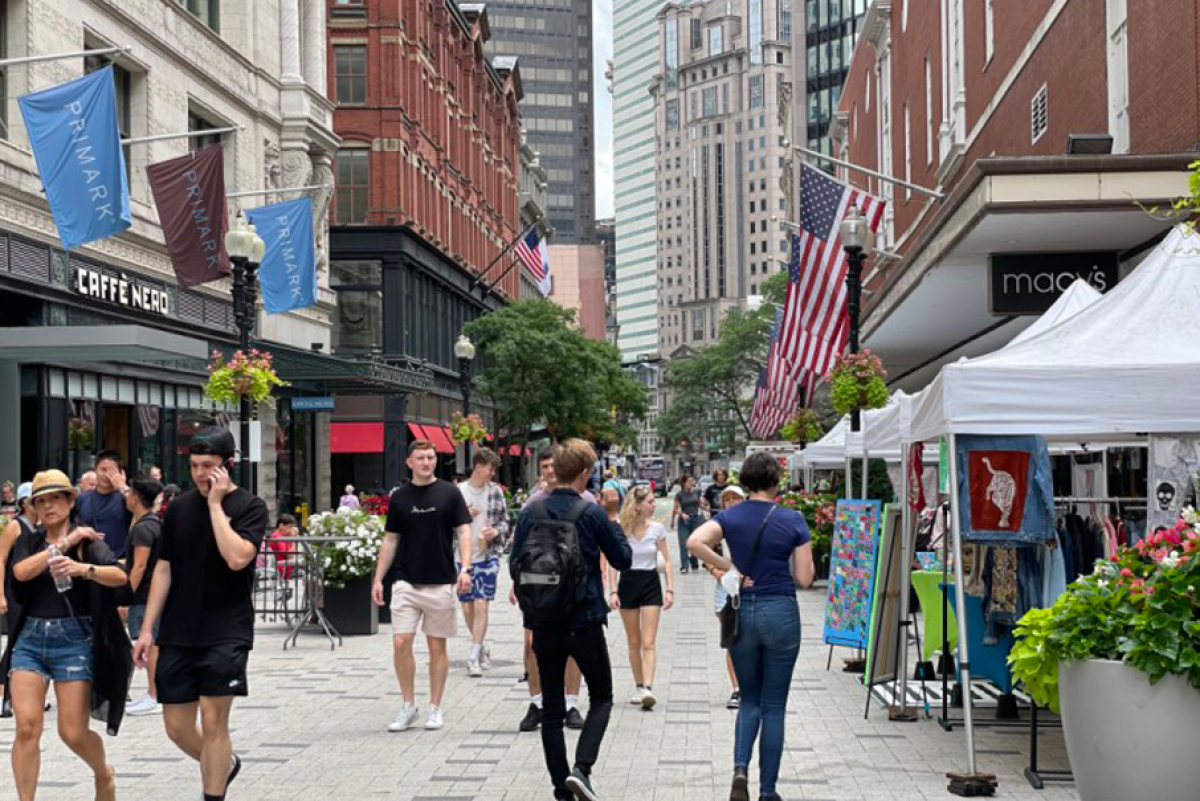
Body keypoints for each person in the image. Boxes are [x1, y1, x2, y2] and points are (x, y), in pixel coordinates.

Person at [133, 427, 269, 801]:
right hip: (178, 631)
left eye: (208, 466)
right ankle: (224, 764)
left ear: (228, 465)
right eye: (194, 466)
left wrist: (214, 506)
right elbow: (164, 568)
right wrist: (146, 630)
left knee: (213, 722)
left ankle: (213, 794)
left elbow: (237, 556)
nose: (199, 474)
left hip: (227, 630)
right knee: (176, 727)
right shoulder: (177, 509)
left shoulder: (250, 507)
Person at [687, 452, 815, 801]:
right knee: (774, 704)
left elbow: (694, 542)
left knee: (749, 699)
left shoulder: (730, 516)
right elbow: (805, 578)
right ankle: (768, 791)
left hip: (742, 611)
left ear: (743, 481)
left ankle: (740, 767)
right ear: (776, 482)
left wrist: (729, 568)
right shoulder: (793, 519)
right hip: (780, 612)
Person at [511, 439, 632, 801]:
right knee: (602, 697)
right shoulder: (591, 513)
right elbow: (623, 559)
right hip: (585, 618)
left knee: (551, 707)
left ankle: (560, 787)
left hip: (544, 620)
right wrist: (612, 516)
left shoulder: (531, 512)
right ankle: (582, 768)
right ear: (583, 474)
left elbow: (514, 563)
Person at [2, 469, 130, 801]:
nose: (48, 506)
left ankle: (104, 773)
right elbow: (20, 572)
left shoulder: (87, 541)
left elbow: (120, 576)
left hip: (74, 641)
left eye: (55, 498)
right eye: (40, 501)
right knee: (27, 726)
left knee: (72, 732)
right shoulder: (28, 541)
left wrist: (81, 568)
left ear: (71, 500)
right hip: (29, 639)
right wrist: (61, 546)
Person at [371, 440, 473, 732]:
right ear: (409, 462)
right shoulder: (400, 497)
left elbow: (463, 531)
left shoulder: (450, 493)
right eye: (421, 458)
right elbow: (391, 539)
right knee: (401, 641)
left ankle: (435, 707)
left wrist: (465, 568)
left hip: (440, 579)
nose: (427, 462)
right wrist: (378, 578)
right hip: (405, 579)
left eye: (431, 457)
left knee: (435, 645)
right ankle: (408, 705)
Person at [514, 449, 595, 732]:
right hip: (538, 585)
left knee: (572, 645)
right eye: (545, 466)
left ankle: (570, 703)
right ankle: (537, 702)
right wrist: (517, 583)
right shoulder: (533, 504)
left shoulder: (585, 501)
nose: (550, 471)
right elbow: (519, 549)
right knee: (531, 644)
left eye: (553, 465)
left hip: (572, 585)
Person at [607, 484, 673, 710]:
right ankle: (638, 685)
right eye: (650, 502)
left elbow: (667, 559)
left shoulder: (657, 530)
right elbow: (611, 563)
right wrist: (613, 590)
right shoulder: (620, 529)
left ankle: (648, 687)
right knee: (633, 641)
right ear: (637, 507)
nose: (653, 506)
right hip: (627, 582)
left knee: (649, 641)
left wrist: (670, 589)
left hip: (650, 582)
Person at [457, 448, 509, 677]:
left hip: (488, 557)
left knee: (481, 604)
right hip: (462, 559)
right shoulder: (457, 493)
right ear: (478, 467)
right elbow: (444, 525)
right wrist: (463, 515)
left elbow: (506, 522)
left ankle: (473, 657)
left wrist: (495, 532)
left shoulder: (495, 492)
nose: (492, 473)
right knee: (467, 607)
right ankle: (481, 645)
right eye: (490, 468)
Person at [124, 476, 164, 717]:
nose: (126, 495)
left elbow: (139, 567)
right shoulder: (152, 522)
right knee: (153, 642)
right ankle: (153, 693)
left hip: (144, 594)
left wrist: (125, 596)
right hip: (153, 592)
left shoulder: (143, 528)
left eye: (129, 492)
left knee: (151, 643)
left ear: (136, 497)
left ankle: (154, 695)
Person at [707, 485, 747, 709]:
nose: (731, 502)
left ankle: (749, 684)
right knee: (733, 640)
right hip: (726, 588)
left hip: (750, 588)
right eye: (727, 499)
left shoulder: (752, 524)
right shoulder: (718, 525)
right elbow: (703, 550)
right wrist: (716, 571)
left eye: (736, 498)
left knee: (749, 639)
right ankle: (736, 688)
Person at [0, 482, 36, 715]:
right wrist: (0, 594)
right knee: (14, 641)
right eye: (37, 499)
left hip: (36, 594)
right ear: (24, 502)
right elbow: (1, 559)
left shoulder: (43, 527)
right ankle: (4, 694)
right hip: (15, 593)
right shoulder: (15, 526)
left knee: (27, 642)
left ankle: (24, 694)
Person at [78, 450, 133, 559]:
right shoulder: (83, 498)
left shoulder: (125, 497)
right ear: (95, 470)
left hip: (119, 560)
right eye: (103, 470)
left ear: (120, 473)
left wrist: (122, 486)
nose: (106, 475)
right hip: (90, 561)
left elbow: (140, 508)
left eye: (112, 471)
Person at [671, 475, 702, 573]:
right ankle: (684, 566)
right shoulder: (679, 494)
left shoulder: (697, 492)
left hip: (695, 519)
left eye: (692, 481)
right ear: (684, 483)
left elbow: (700, 504)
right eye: (689, 481)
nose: (691, 483)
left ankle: (694, 564)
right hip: (684, 520)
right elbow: (675, 508)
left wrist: (707, 510)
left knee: (694, 543)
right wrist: (680, 515)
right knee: (683, 543)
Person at [267, 514, 300, 580]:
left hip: (287, 567)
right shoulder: (277, 537)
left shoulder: (282, 536)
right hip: (284, 570)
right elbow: (289, 554)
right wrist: (294, 540)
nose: (291, 530)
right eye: (290, 527)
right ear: (281, 525)